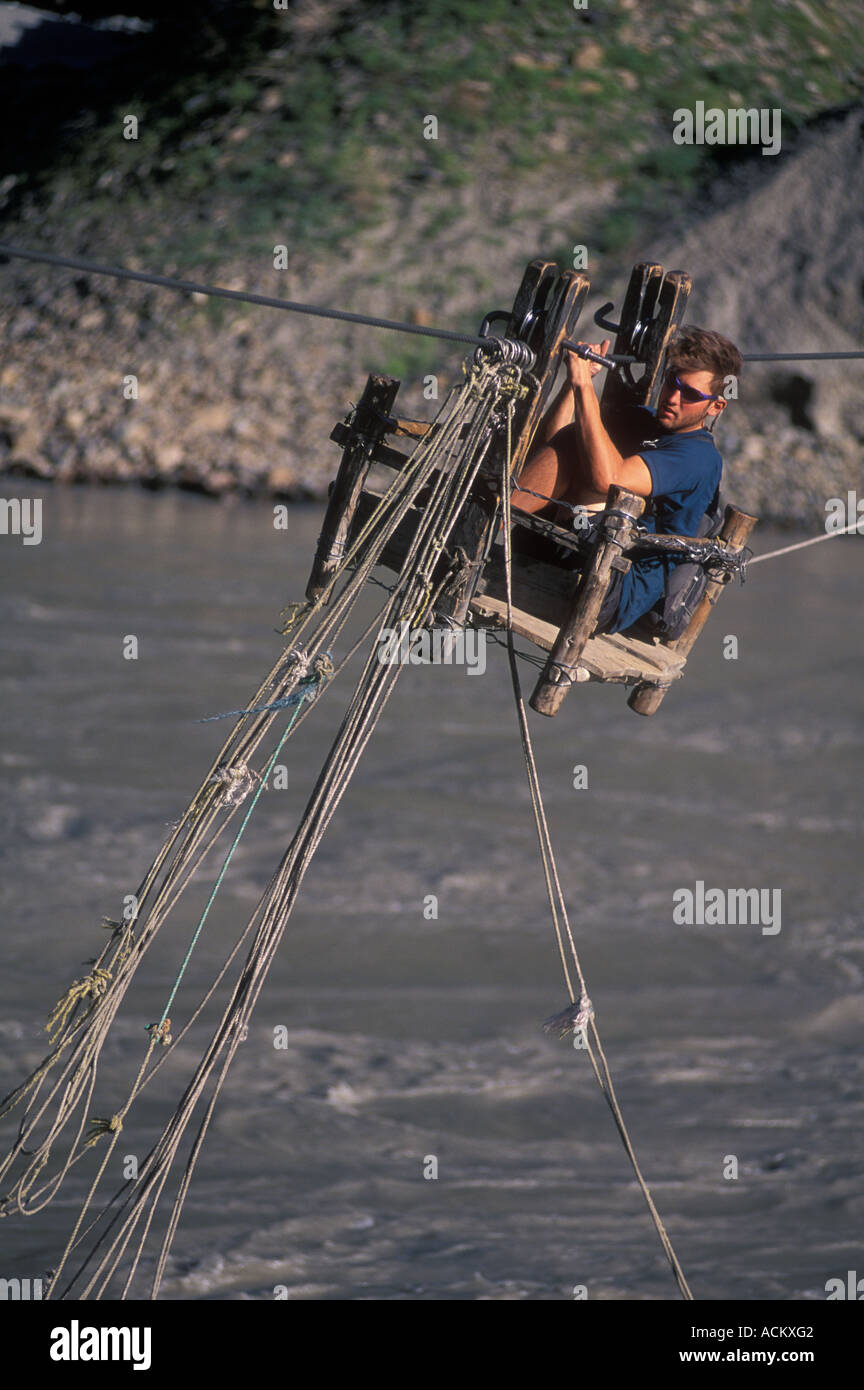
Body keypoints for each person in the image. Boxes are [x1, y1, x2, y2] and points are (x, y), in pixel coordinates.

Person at [510, 326, 743, 635]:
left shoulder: (699, 457)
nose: (672, 397)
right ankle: (491, 524)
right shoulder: (641, 419)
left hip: (616, 587)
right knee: (574, 440)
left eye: (689, 394)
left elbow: (609, 479)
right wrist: (573, 384)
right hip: (576, 545)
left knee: (589, 462)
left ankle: (487, 527)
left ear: (716, 405)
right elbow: (554, 446)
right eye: (671, 382)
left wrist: (583, 386)